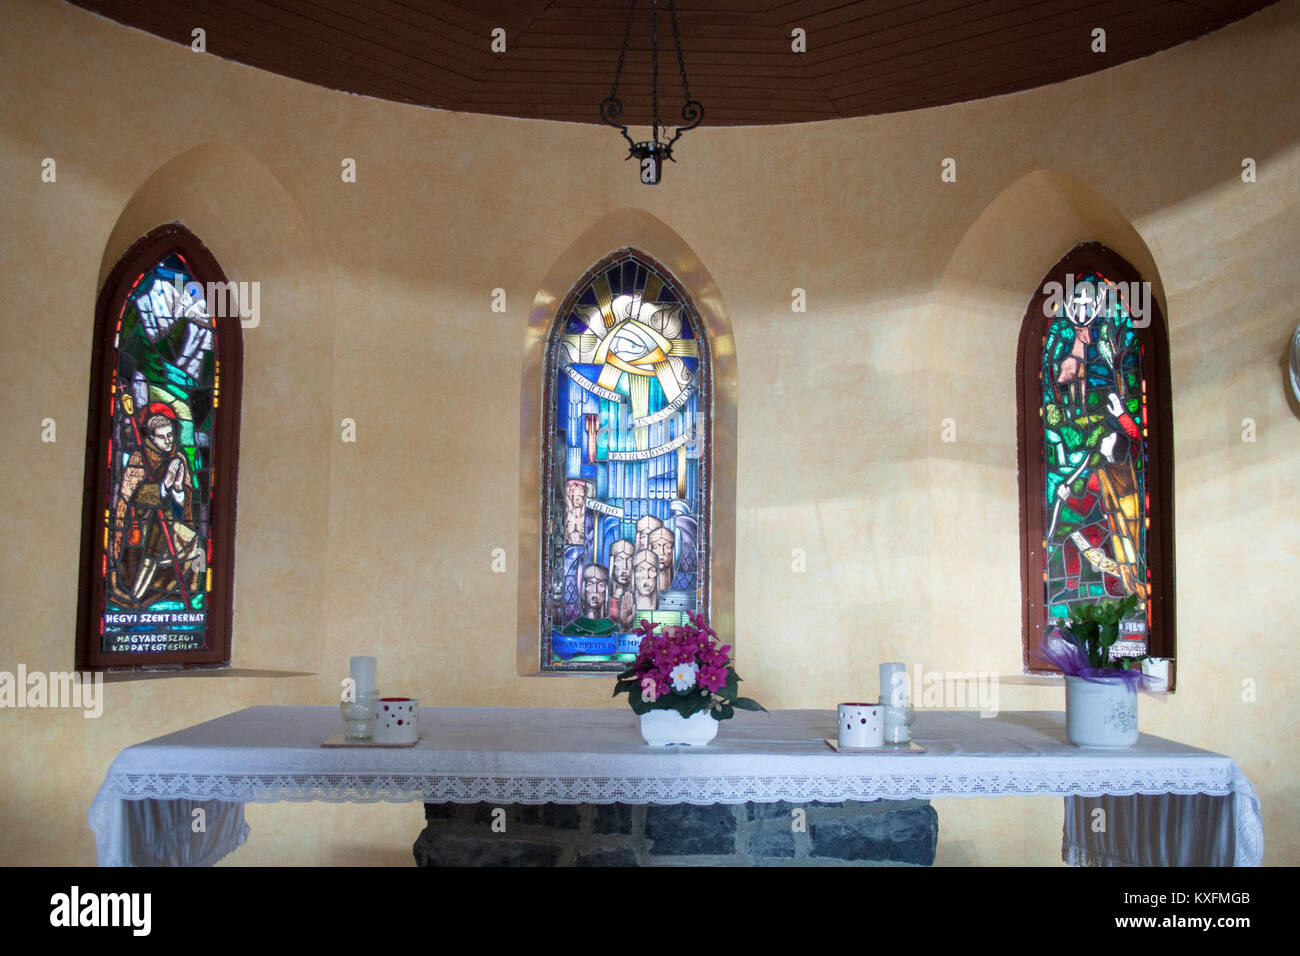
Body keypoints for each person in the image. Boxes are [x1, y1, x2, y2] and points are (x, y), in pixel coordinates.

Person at [110, 403, 202, 606]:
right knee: (155, 537)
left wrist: (177, 490)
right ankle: (139, 594)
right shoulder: (139, 459)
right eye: (162, 437)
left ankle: (187, 590)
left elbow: (185, 507)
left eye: (171, 435)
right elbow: (129, 497)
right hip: (140, 526)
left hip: (170, 523)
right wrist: (162, 488)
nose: (168, 441)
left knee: (196, 542)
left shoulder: (179, 458)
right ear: (150, 437)